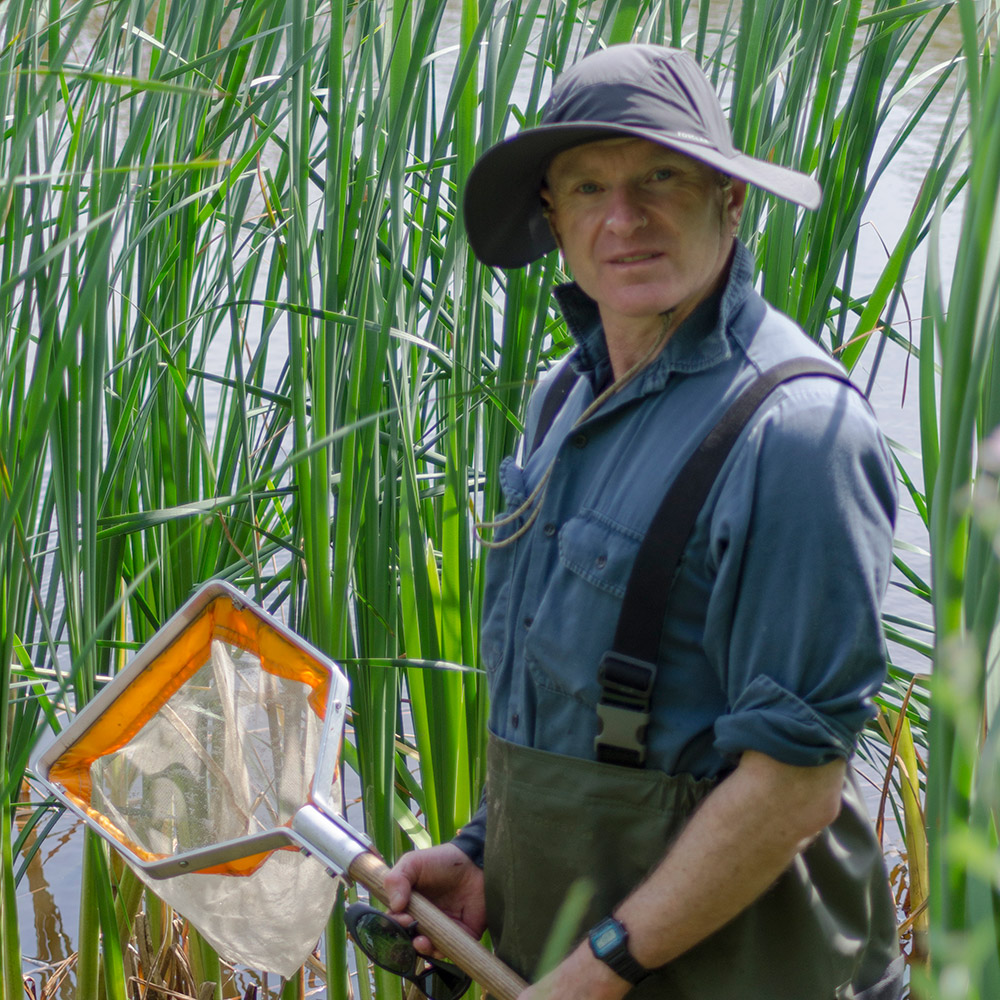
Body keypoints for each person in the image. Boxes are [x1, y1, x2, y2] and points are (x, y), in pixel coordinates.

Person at [384, 43, 904, 1000]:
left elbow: (793, 787)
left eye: (661, 176)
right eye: (587, 187)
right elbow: (571, 706)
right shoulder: (561, 398)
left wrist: (597, 971)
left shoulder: (794, 436)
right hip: (577, 959)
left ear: (730, 199)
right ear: (553, 216)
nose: (624, 219)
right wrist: (481, 858)